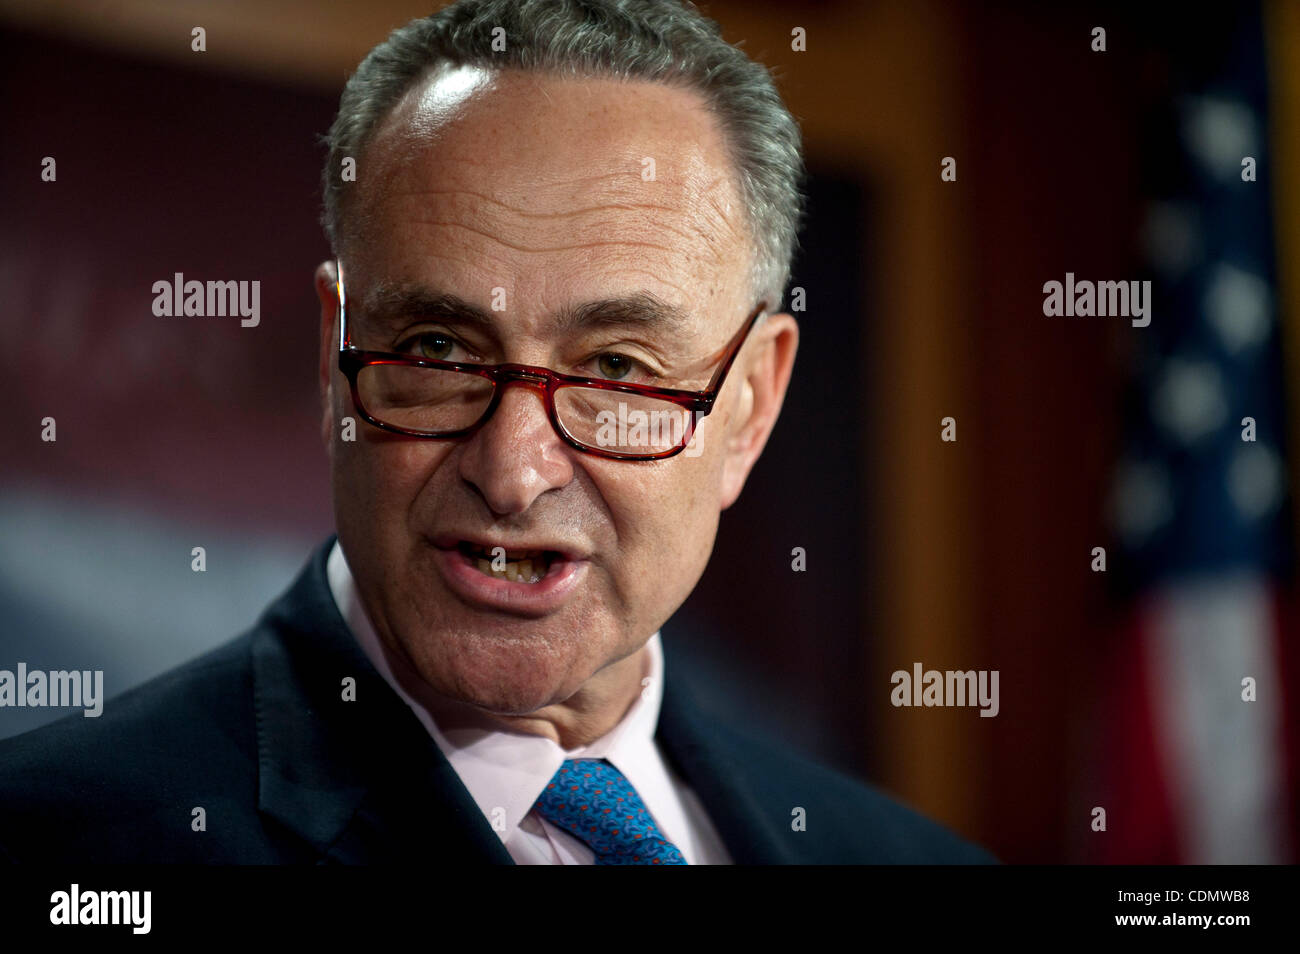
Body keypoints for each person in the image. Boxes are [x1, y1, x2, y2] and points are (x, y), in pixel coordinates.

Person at [0, 0, 995, 865]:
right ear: (332, 357)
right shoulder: (58, 840)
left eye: (615, 367)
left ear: (749, 409)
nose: (513, 472)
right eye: (438, 346)